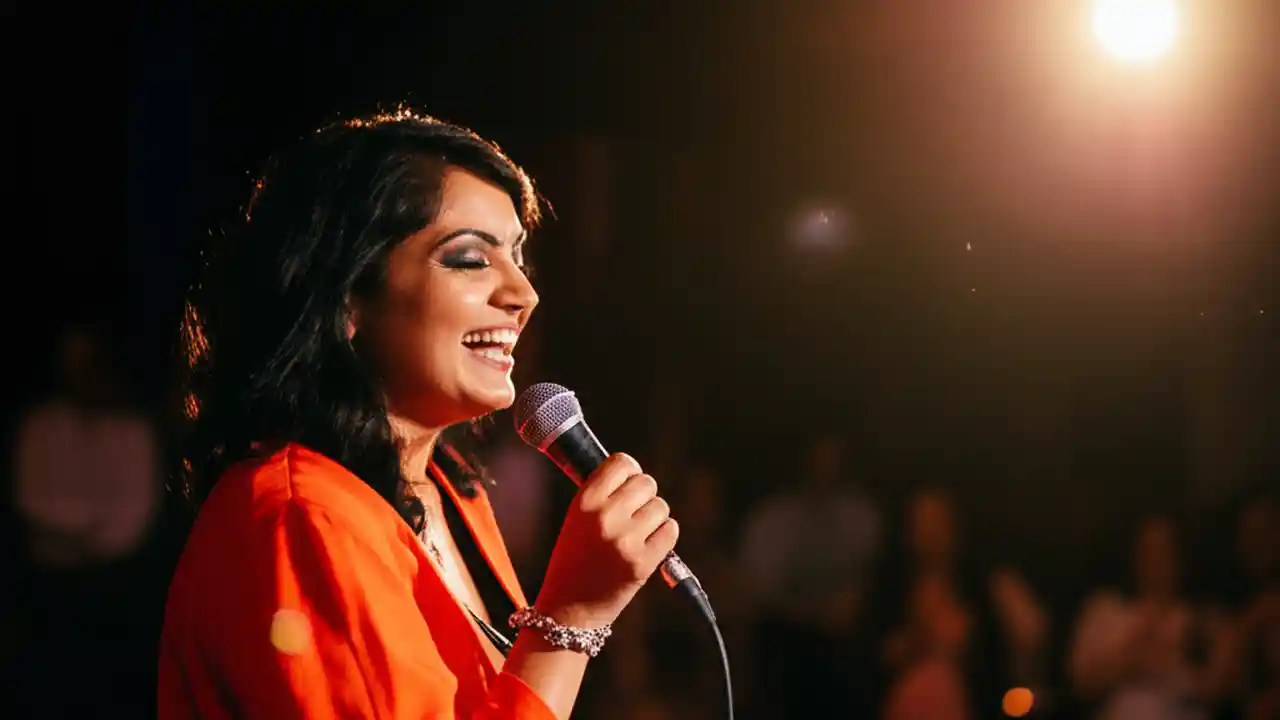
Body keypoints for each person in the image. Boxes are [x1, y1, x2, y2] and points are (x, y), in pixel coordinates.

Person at [158, 108, 680, 719]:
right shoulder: (296, 517)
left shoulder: (448, 487)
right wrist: (569, 620)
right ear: (346, 298)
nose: (524, 295)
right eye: (468, 259)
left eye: (518, 258)